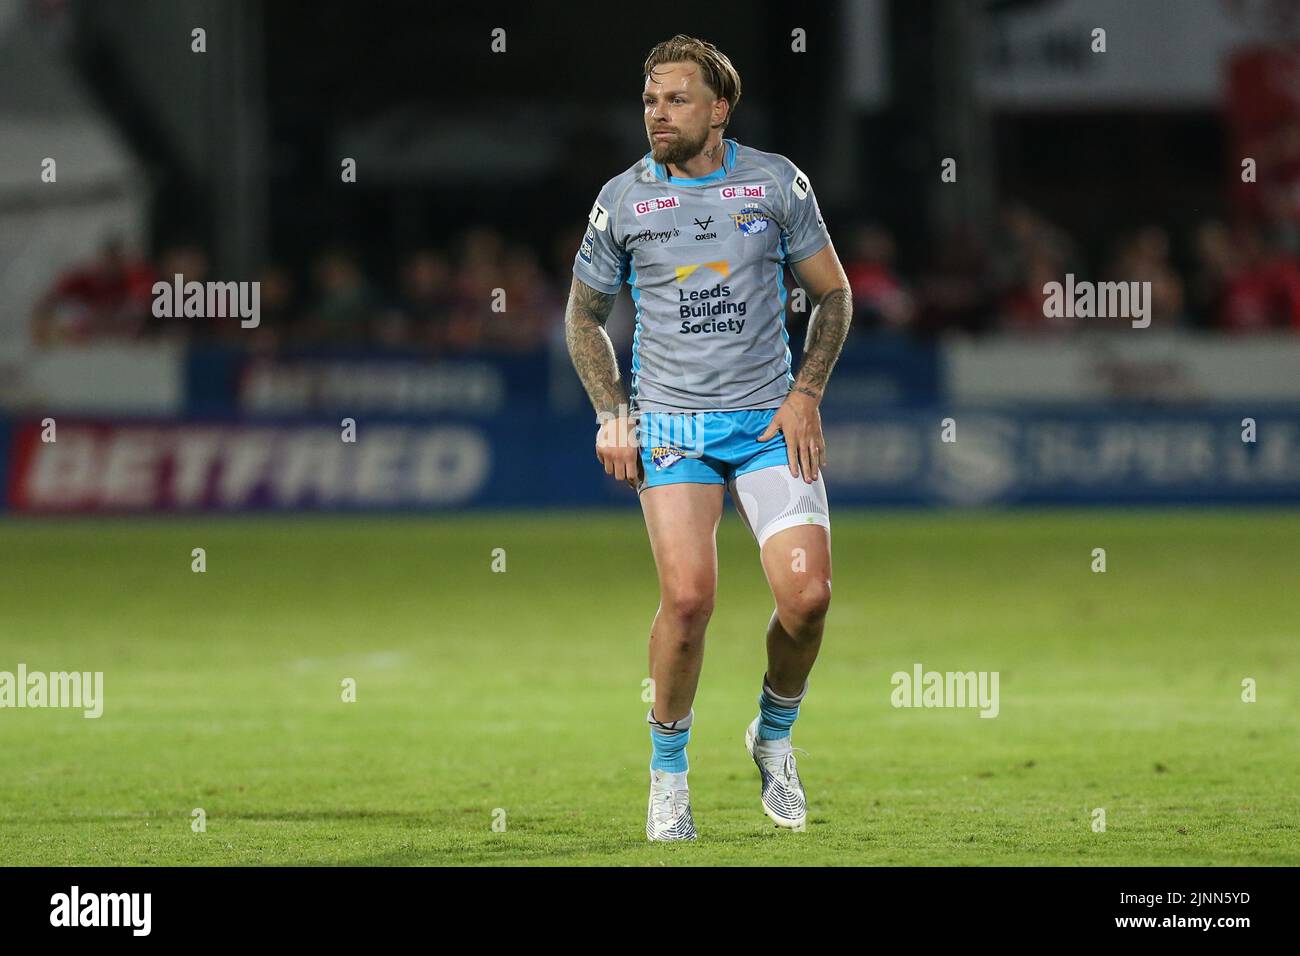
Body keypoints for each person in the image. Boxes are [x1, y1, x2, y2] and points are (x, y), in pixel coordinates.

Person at [564, 35, 853, 841]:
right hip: (673, 427)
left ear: (719, 108)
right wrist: (610, 411)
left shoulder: (774, 183)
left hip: (767, 421)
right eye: (651, 99)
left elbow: (833, 297)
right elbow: (582, 317)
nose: (658, 112)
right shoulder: (622, 199)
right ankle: (668, 774)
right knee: (688, 601)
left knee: (808, 601)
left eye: (677, 99)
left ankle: (773, 734)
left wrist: (806, 394)